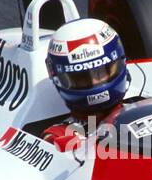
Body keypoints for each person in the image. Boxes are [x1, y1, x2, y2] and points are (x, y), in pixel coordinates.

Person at [42, 18, 130, 151]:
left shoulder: (144, 104)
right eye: (81, 77)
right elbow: (50, 144)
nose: (95, 82)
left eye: (102, 72)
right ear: (59, 78)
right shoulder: (59, 133)